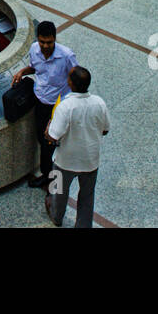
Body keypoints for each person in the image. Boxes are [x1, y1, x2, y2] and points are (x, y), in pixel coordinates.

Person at [11, 21, 78, 189]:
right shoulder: (34, 49)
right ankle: (46, 175)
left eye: (49, 42)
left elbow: (76, 79)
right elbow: (35, 69)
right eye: (42, 42)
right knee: (42, 140)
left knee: (53, 145)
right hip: (40, 101)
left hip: (58, 107)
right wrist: (22, 72)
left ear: (55, 39)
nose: (45, 46)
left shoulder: (66, 56)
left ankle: (54, 183)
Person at [45, 65, 110, 228]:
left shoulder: (65, 106)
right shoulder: (99, 103)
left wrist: (47, 129)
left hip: (64, 161)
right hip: (90, 160)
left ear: (71, 84)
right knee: (87, 196)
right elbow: (105, 129)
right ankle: (83, 224)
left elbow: (53, 136)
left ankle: (56, 216)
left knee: (57, 190)